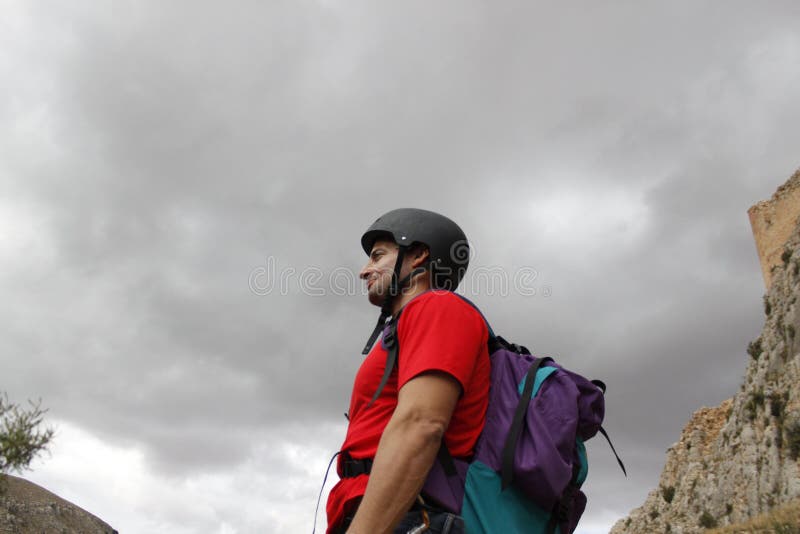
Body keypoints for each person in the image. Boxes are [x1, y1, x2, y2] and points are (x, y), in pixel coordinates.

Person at [326, 208, 491, 534]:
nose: (364, 271)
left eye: (377, 256)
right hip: (389, 513)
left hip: (410, 516)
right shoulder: (407, 325)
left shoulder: (437, 307)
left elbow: (422, 424)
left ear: (417, 255)